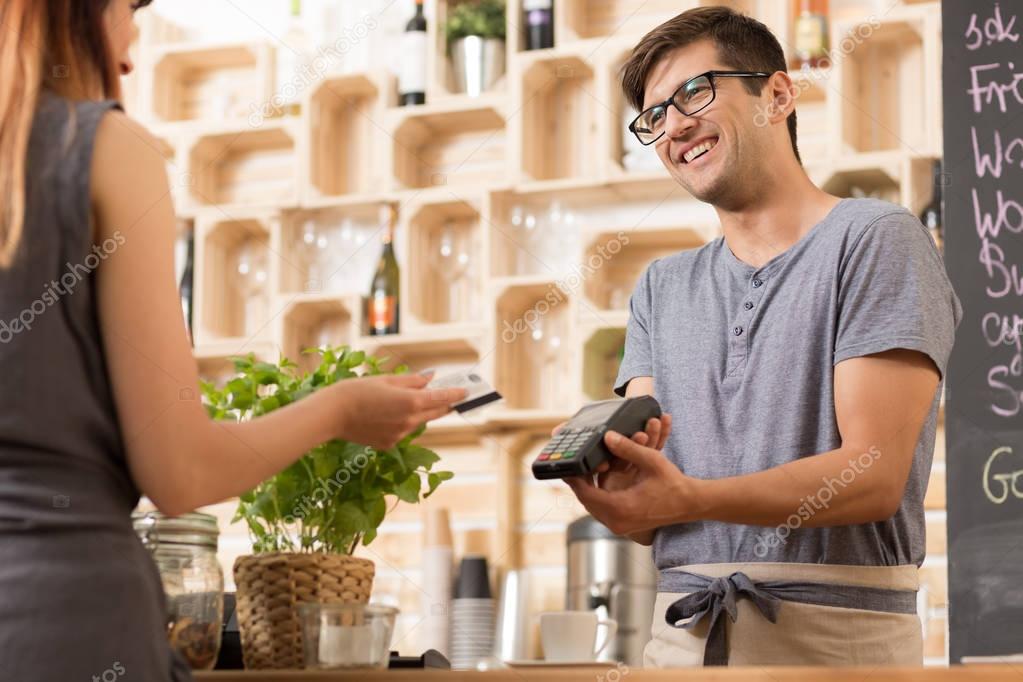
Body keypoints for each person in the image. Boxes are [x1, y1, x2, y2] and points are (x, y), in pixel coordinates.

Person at [0, 2, 466, 680]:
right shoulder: (104, 149)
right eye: (130, 15)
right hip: (66, 620)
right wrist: (339, 411)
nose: (130, 54)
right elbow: (180, 474)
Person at [562, 6, 961, 668]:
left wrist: (692, 497)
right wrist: (625, 499)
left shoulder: (875, 240)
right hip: (679, 645)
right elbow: (654, 500)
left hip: (837, 648)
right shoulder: (661, 287)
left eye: (694, 90)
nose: (674, 125)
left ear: (776, 94)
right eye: (654, 115)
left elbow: (873, 475)